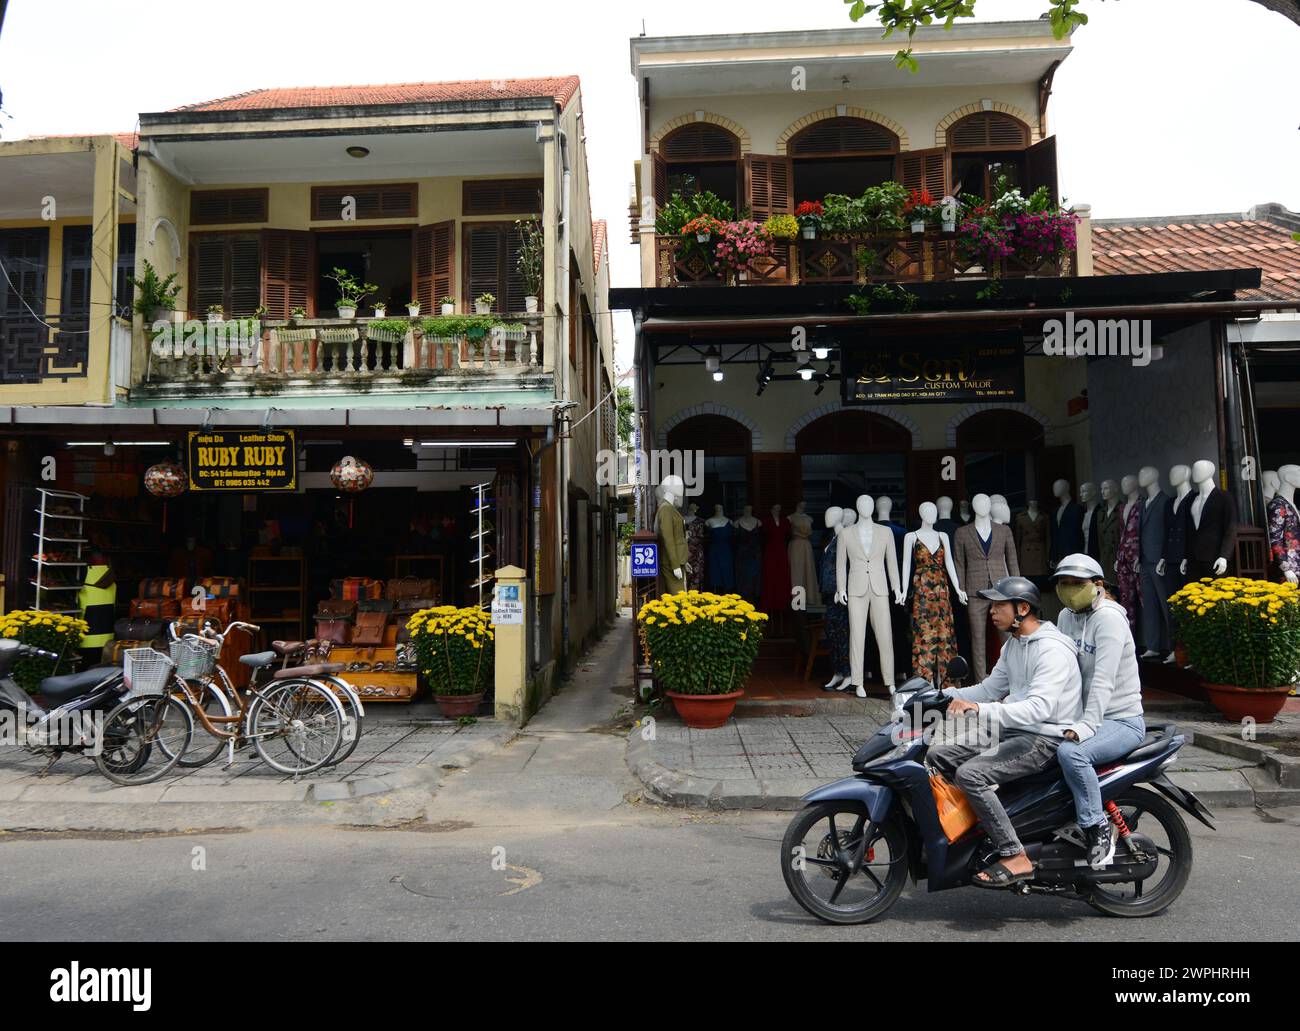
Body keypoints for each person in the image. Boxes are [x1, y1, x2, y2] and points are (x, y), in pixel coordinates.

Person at [929, 576, 1083, 889]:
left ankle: (1015, 855)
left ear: (1023, 608)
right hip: (1013, 730)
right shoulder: (1014, 643)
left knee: (971, 775)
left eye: (999, 605)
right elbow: (990, 688)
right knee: (936, 755)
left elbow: (1038, 709)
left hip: (1044, 738)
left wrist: (978, 710)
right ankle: (969, 832)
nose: (992, 611)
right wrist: (943, 697)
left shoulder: (1051, 651)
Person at [1052, 553, 1146, 870]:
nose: (1068, 590)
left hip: (1120, 720)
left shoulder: (1110, 619)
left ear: (1098, 585)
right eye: (1063, 583)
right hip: (1084, 716)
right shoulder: (1066, 617)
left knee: (1072, 754)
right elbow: (1062, 672)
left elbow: (1103, 680)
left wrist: (1086, 725)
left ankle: (1097, 828)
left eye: (1076, 584)